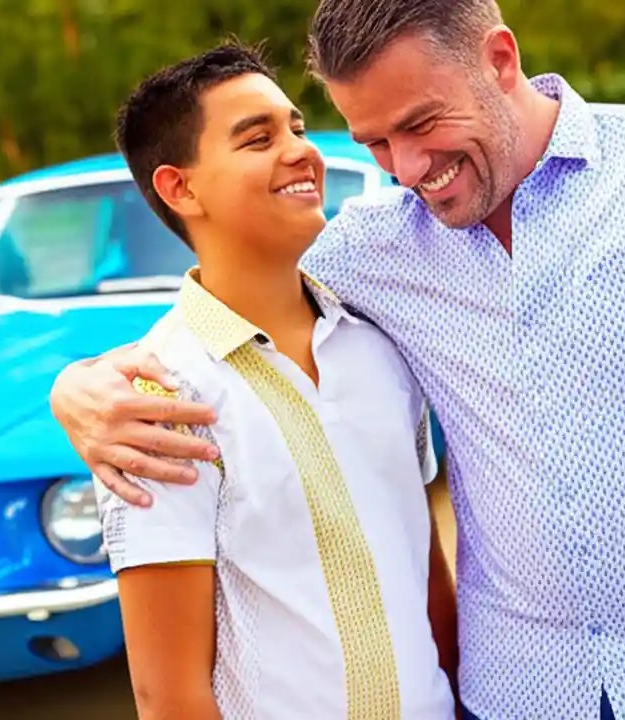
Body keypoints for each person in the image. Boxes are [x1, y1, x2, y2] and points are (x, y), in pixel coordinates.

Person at [50, 1, 625, 718]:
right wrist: (76, 390)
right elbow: (225, 303)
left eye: (422, 124)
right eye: (375, 143)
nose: (409, 169)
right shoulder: (367, 252)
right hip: (519, 697)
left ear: (500, 59)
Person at [93, 43, 458, 719]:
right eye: (257, 138)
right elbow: (168, 693)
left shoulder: (381, 346)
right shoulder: (159, 400)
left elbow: (427, 575)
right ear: (181, 187)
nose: (300, 151)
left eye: (294, 127)